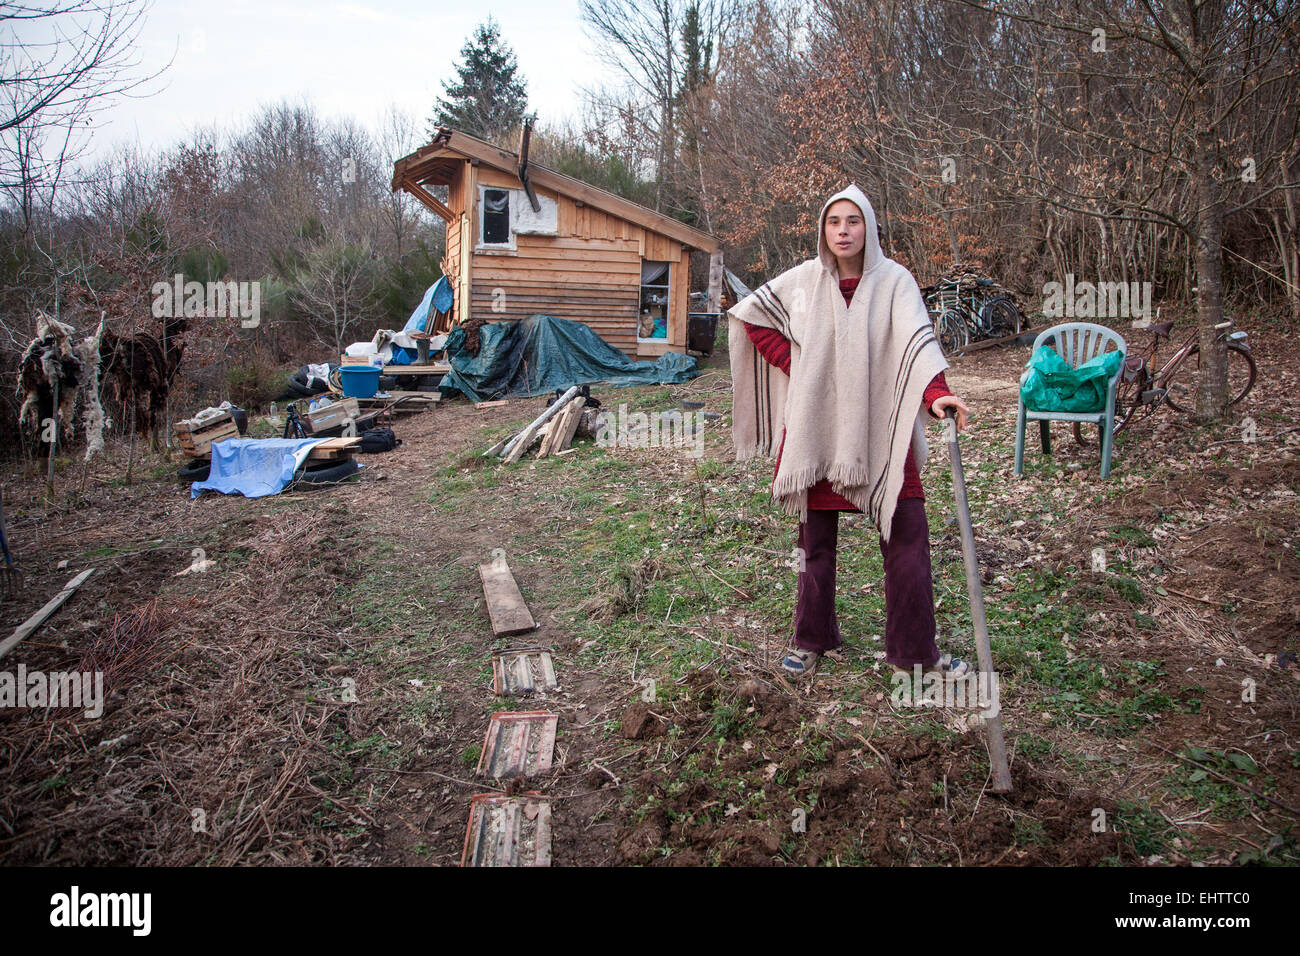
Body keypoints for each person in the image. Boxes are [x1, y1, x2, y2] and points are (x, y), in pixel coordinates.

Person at [728, 184, 972, 680]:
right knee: (813, 544)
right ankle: (812, 637)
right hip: (816, 431)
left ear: (869, 228)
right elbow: (753, 316)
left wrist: (936, 395)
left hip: (881, 430)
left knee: (907, 540)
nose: (843, 230)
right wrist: (802, 365)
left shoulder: (895, 282)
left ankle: (915, 654)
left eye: (853, 221)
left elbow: (916, 347)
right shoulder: (803, 282)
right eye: (834, 221)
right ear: (823, 229)